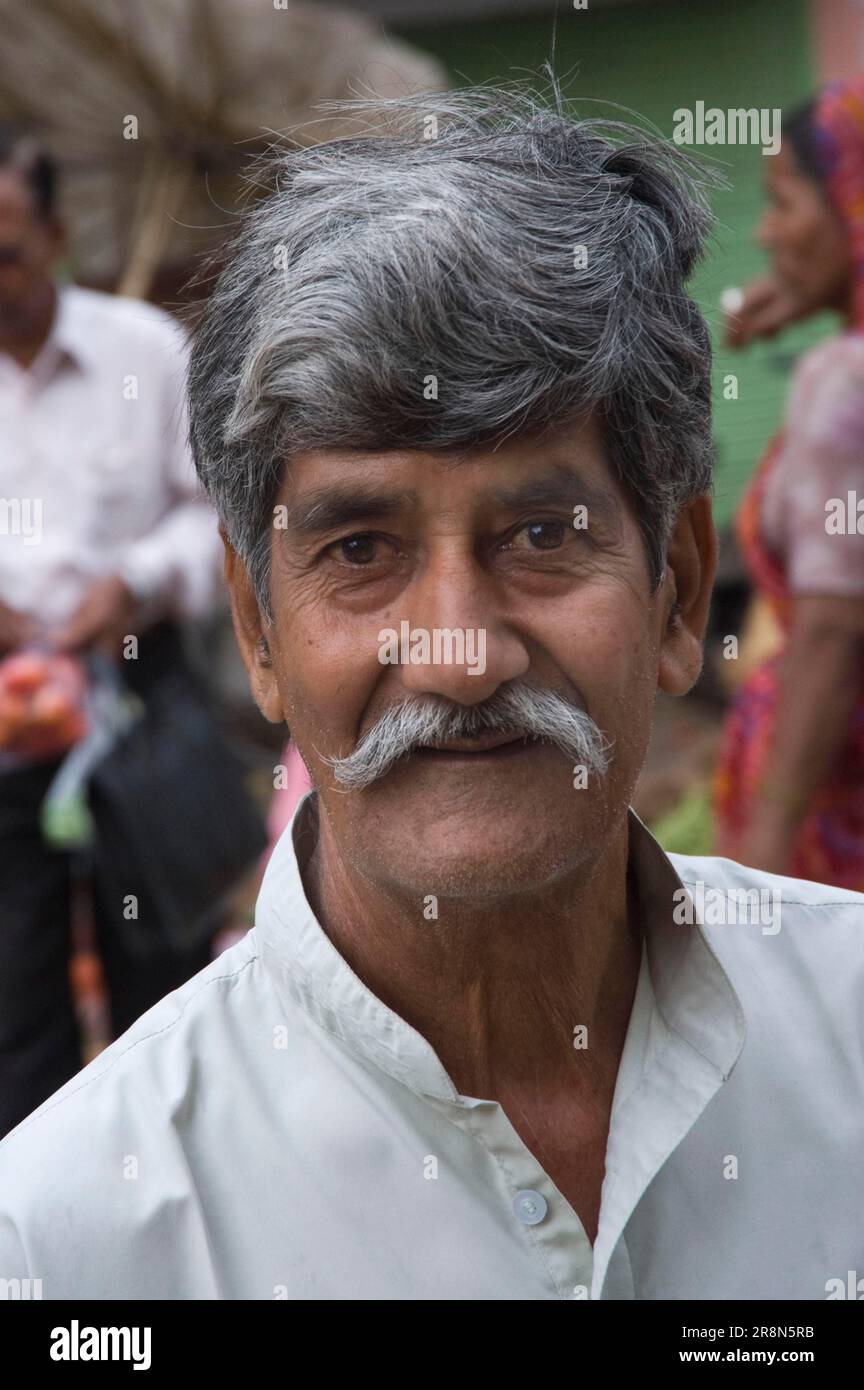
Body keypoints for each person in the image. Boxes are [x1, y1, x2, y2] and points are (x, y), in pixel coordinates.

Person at [1, 85, 863, 1301]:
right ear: (258, 628)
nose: (459, 655)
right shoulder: (72, 1239)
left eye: (542, 534)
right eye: (359, 550)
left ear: (677, 592)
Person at [0, 130, 224, 1136]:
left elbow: (225, 515)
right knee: (14, 1007)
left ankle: (170, 1206)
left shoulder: (147, 352)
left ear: (53, 234)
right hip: (8, 735)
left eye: (4, 250)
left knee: (167, 989)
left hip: (143, 706)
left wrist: (135, 583)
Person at [715, 78, 864, 885]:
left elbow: (834, 631)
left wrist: (765, 848)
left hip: (837, 823)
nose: (766, 233)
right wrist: (825, 287)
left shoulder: (843, 382)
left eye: (784, 204)